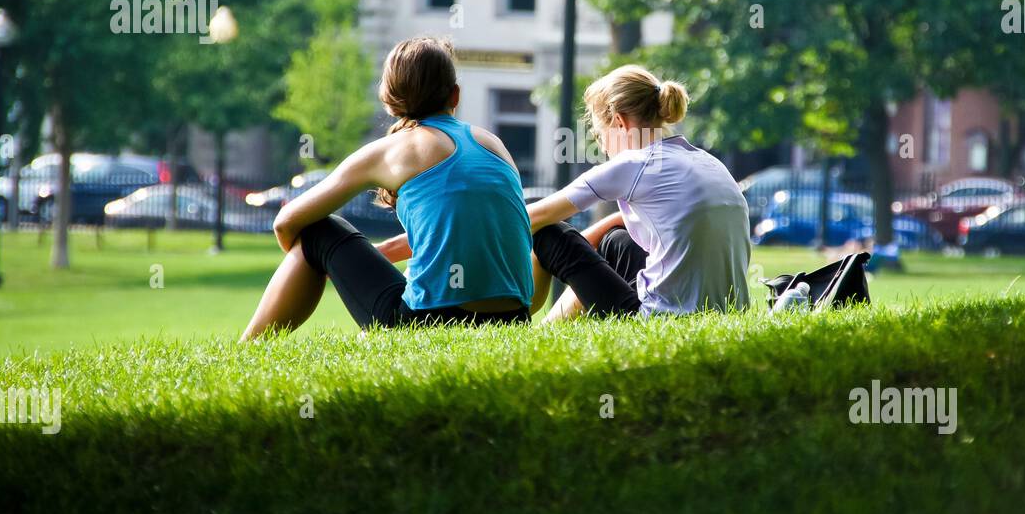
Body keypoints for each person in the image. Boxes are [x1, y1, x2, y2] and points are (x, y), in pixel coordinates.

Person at [240, 38, 533, 340]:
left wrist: (307, 260)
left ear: (389, 99)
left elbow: (286, 222)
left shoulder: (388, 151)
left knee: (318, 231)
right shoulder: (492, 143)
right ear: (455, 95)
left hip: (429, 322)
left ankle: (249, 349)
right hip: (515, 319)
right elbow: (480, 226)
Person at [525, 64, 751, 321]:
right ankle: (548, 330)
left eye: (600, 135)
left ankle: (519, 320)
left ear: (619, 122)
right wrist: (587, 243)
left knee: (547, 233)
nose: (603, 147)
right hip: (729, 314)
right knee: (617, 241)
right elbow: (631, 223)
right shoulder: (706, 161)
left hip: (662, 317)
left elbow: (529, 217)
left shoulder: (634, 164)